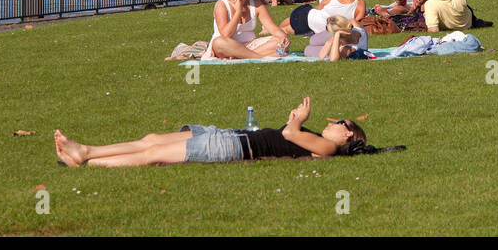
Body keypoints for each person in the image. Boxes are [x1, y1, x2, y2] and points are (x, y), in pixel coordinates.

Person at [53, 97, 367, 166]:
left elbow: (288, 135)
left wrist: (299, 118)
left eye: (341, 123)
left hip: (233, 148)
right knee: (151, 140)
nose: (334, 123)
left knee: (152, 155)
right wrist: (296, 120)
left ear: (348, 135)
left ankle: (87, 156)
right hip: (230, 135)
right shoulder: (322, 141)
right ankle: (86, 153)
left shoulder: (327, 148)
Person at [202, 0, 289, 60]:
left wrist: (282, 37)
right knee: (219, 42)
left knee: (279, 41)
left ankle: (241, 56)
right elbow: (226, 35)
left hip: (251, 45)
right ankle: (260, 57)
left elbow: (273, 28)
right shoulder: (222, 5)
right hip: (227, 46)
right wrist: (238, 12)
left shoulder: (255, 2)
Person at [281, 0, 368, 45]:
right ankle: (273, 29)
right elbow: (357, 24)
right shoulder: (360, 4)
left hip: (307, 17)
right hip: (313, 26)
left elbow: (317, 9)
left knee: (286, 26)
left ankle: (272, 29)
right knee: (287, 28)